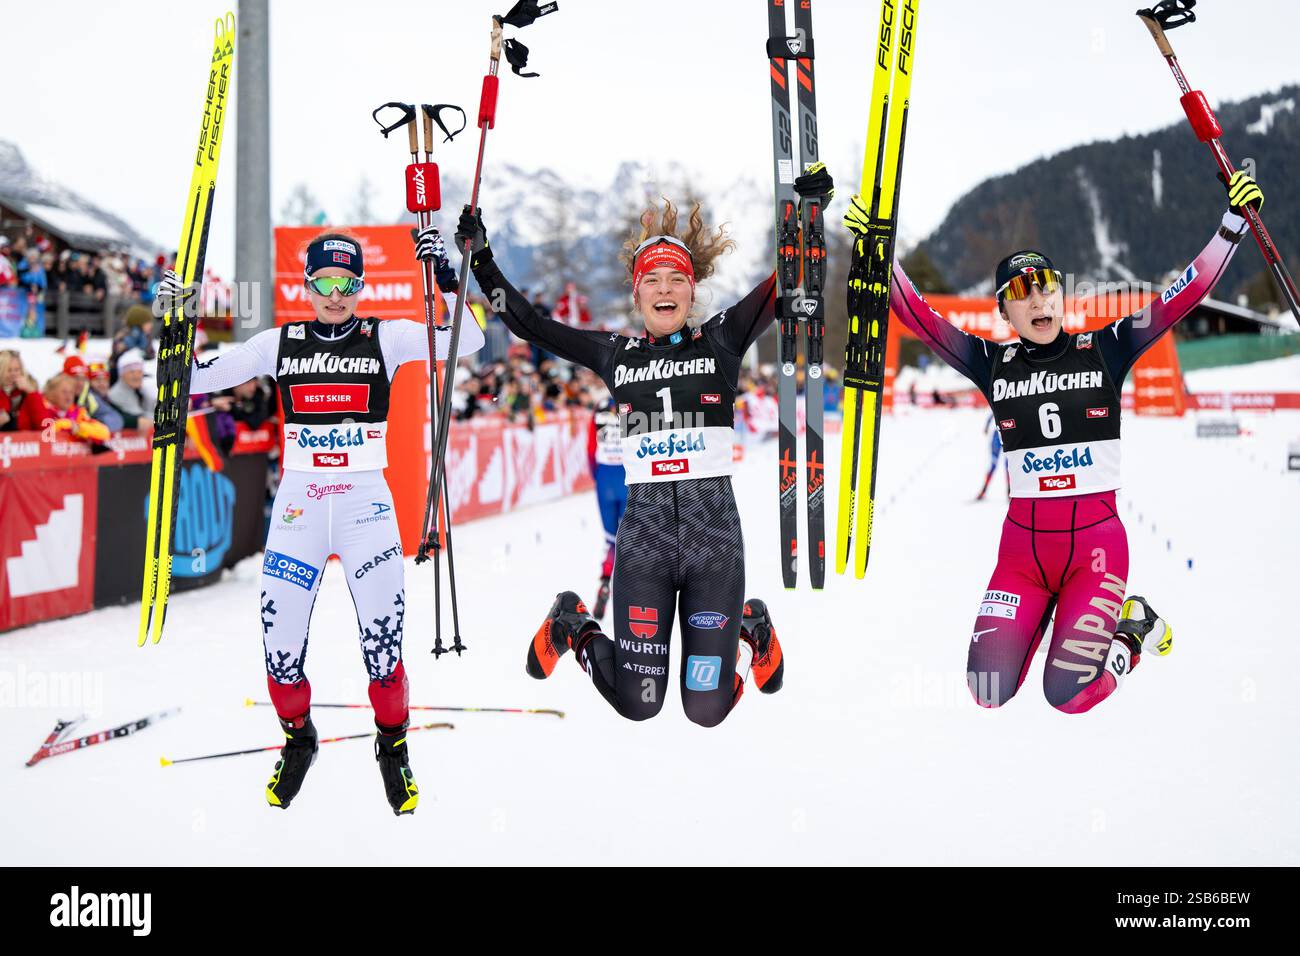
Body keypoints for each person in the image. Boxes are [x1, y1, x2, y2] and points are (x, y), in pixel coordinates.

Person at [845, 170, 1262, 713]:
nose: (1037, 299)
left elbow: (1181, 296)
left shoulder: (1106, 348)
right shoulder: (990, 362)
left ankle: (1131, 630)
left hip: (1095, 552)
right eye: (1020, 293)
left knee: (1068, 694)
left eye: (1045, 286)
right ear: (1004, 311)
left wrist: (1231, 226)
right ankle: (1050, 620)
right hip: (1022, 555)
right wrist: (877, 252)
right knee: (987, 690)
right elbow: (919, 317)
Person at [443, 167, 835, 726]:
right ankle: (572, 625)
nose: (665, 289)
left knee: (707, 707)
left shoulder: (722, 339)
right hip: (645, 543)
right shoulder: (615, 355)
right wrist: (481, 258)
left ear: (692, 289)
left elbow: (790, 286)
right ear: (637, 294)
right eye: (653, 281)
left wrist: (808, 218)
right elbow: (528, 325)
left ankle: (751, 629)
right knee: (638, 702)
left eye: (676, 279)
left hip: (713, 543)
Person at [175, 229, 483, 813]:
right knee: (280, 646)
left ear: (360, 285)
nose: (335, 295)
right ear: (308, 285)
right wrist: (176, 320)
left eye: (347, 283)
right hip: (300, 508)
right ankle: (299, 738)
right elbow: (194, 377)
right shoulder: (278, 341)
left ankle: (392, 748)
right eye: (324, 283)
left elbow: (466, 342)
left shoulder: (386, 337)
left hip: (367, 507)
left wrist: (445, 274)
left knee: (384, 650)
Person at [587, 394, 626, 619]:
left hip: (605, 477)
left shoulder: (599, 406)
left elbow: (590, 446)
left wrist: (598, 477)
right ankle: (628, 594)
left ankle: (604, 581)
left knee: (610, 539)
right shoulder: (633, 398)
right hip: (627, 475)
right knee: (629, 538)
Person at [108, 349, 156, 429]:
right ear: (122, 374)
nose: (137, 376)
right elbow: (142, 419)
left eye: (139, 372)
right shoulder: (117, 393)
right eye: (132, 372)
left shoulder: (139, 390)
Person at [975, 412, 1008, 501]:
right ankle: (984, 490)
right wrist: (986, 427)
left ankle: (1009, 492)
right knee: (993, 464)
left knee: (1008, 465)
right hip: (998, 436)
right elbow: (992, 413)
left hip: (1007, 434)